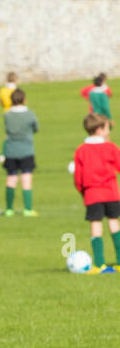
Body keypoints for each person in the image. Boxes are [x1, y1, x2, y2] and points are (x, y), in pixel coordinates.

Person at [73, 112, 120, 273]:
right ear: (100, 129)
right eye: (108, 128)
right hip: (111, 193)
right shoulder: (110, 147)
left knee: (96, 225)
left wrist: (82, 191)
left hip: (92, 194)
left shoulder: (81, 150)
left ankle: (99, 264)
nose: (109, 131)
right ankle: (119, 262)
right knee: (114, 223)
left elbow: (78, 177)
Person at [1, 88, 37, 217]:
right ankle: (27, 209)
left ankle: (9, 209)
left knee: (11, 179)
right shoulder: (30, 114)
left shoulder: (7, 115)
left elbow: (7, 131)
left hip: (11, 150)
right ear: (24, 100)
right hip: (26, 150)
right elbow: (35, 128)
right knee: (26, 179)